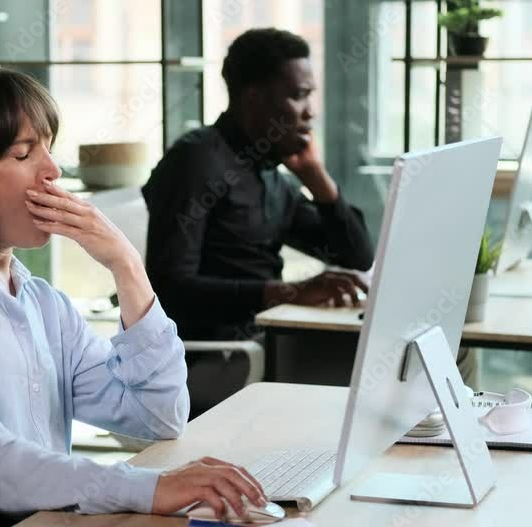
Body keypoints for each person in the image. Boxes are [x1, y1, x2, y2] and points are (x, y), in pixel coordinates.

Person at [0, 69, 267, 526]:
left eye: (49, 148)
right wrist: (149, 487)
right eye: (23, 153)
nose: (52, 170)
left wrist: (127, 266)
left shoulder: (39, 302)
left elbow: (158, 416)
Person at [142, 28, 375, 413]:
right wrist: (289, 292)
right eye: (299, 95)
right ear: (254, 98)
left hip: (268, 339)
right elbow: (171, 290)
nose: (310, 111)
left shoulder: (268, 172)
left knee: (417, 356)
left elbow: (356, 255)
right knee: (397, 369)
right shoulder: (196, 161)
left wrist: (320, 182)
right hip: (221, 356)